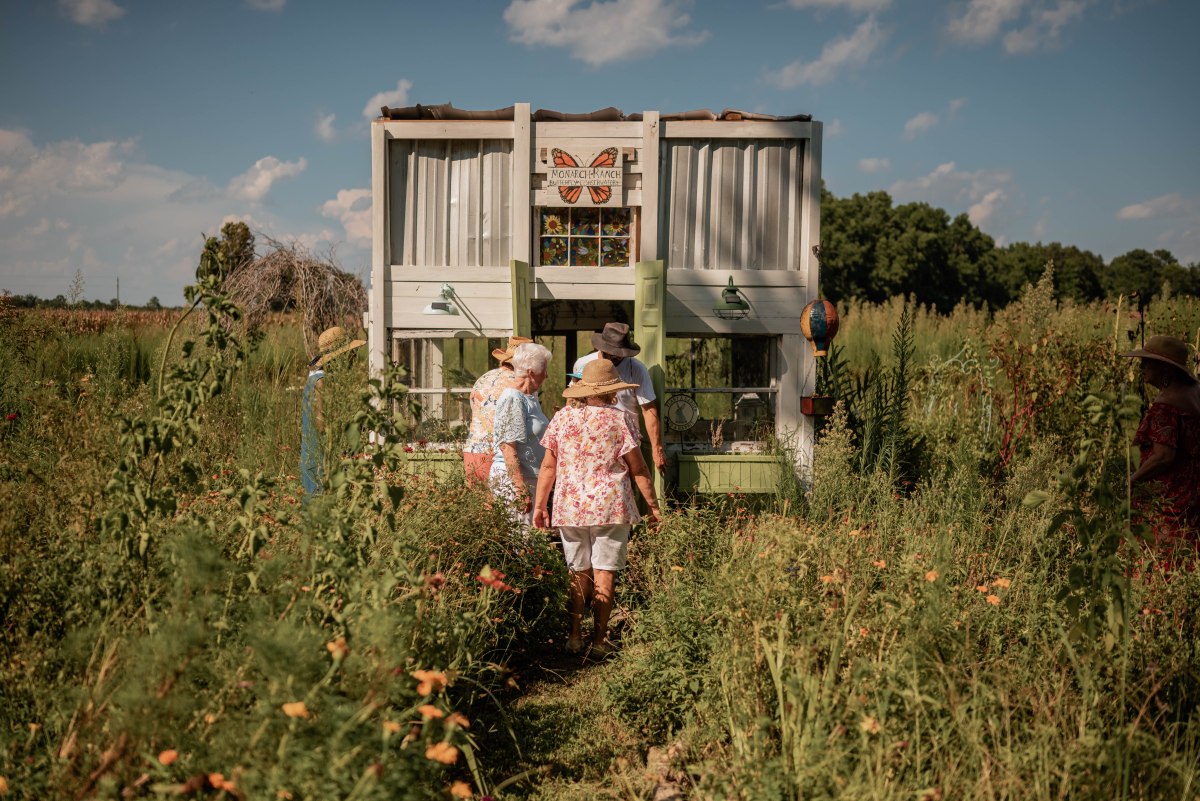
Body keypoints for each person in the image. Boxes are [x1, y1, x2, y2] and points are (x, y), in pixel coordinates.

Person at [534, 359, 661, 657]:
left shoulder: (562, 419)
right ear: (613, 392)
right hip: (611, 506)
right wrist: (653, 507)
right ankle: (600, 641)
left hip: (571, 507)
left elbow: (548, 467)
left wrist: (540, 505)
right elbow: (639, 469)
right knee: (605, 570)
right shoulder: (620, 420)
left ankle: (575, 636)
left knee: (577, 571)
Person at [1122, 334, 1200, 559]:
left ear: (1166, 369)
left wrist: (1132, 481)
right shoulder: (1195, 391)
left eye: (1148, 362)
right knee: (1186, 551)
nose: (1142, 365)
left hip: (1170, 495)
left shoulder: (1166, 405)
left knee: (1159, 554)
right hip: (1192, 489)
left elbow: (1164, 456)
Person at [573, 322, 666, 473]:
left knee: (623, 487)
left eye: (619, 352)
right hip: (589, 438)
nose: (614, 355)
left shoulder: (637, 369)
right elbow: (573, 400)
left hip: (625, 440)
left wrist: (657, 448)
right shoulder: (583, 364)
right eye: (610, 351)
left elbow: (649, 410)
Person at [489, 342, 553, 526]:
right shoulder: (512, 398)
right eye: (544, 370)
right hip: (515, 482)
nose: (547, 375)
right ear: (531, 372)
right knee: (521, 539)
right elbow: (508, 448)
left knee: (529, 539)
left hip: (529, 479)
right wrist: (520, 489)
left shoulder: (530, 397)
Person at [300, 326, 365, 499]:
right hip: (320, 463)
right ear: (340, 356)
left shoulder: (318, 379)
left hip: (316, 459)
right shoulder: (321, 382)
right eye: (350, 353)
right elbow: (322, 426)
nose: (354, 358)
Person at [463, 336, 531, 484]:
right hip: (499, 456)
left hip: (472, 451)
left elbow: (474, 409)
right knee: (504, 505)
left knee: (477, 505)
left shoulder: (483, 378)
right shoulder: (520, 384)